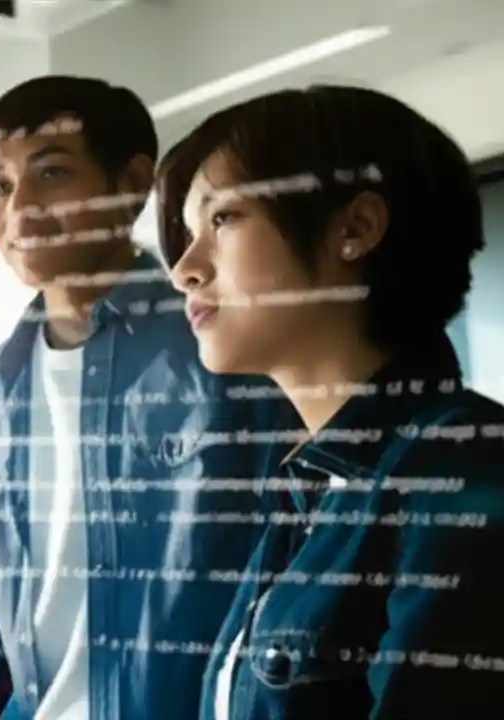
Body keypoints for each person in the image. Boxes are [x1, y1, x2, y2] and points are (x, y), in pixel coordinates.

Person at [0, 76, 290, 720]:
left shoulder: (226, 350)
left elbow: (283, 584)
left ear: (131, 182)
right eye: (0, 184)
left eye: (51, 173)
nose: (21, 208)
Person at [158, 85, 504, 719]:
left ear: (356, 228)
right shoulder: (311, 489)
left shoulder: (460, 474)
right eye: (186, 233)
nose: (184, 268)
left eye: (222, 218)